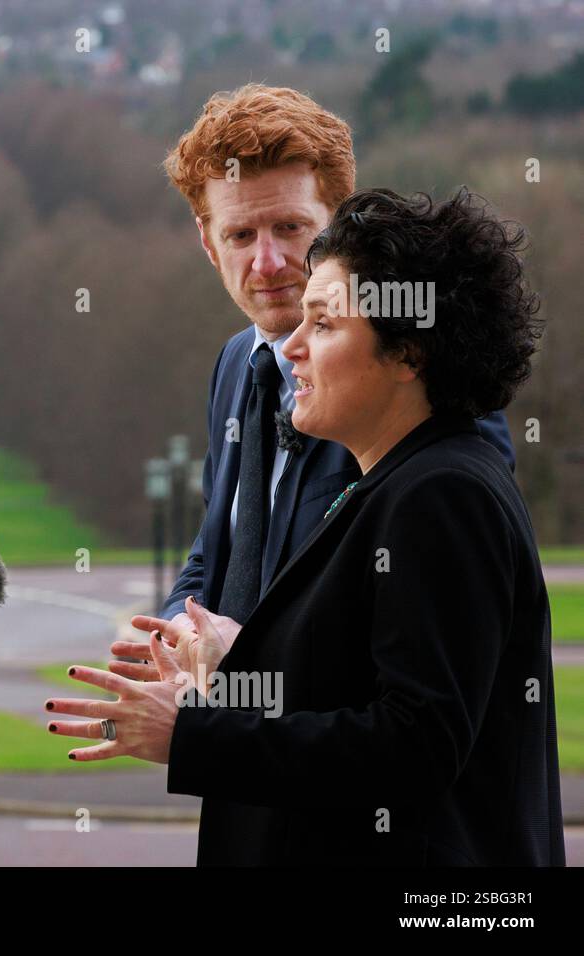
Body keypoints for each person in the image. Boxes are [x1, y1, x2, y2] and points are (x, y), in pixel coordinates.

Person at [45, 187, 564, 865]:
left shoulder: (444, 495)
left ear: (409, 352)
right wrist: (235, 660)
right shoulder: (393, 481)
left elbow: (415, 747)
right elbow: (350, 681)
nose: (291, 348)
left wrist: (190, 737)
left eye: (323, 324)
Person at [145, 86, 514, 647]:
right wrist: (177, 630)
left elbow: (447, 583)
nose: (266, 263)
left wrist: (244, 669)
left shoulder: (409, 366)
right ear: (208, 243)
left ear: (341, 225)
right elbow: (218, 544)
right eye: (240, 235)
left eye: (290, 228)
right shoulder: (233, 367)